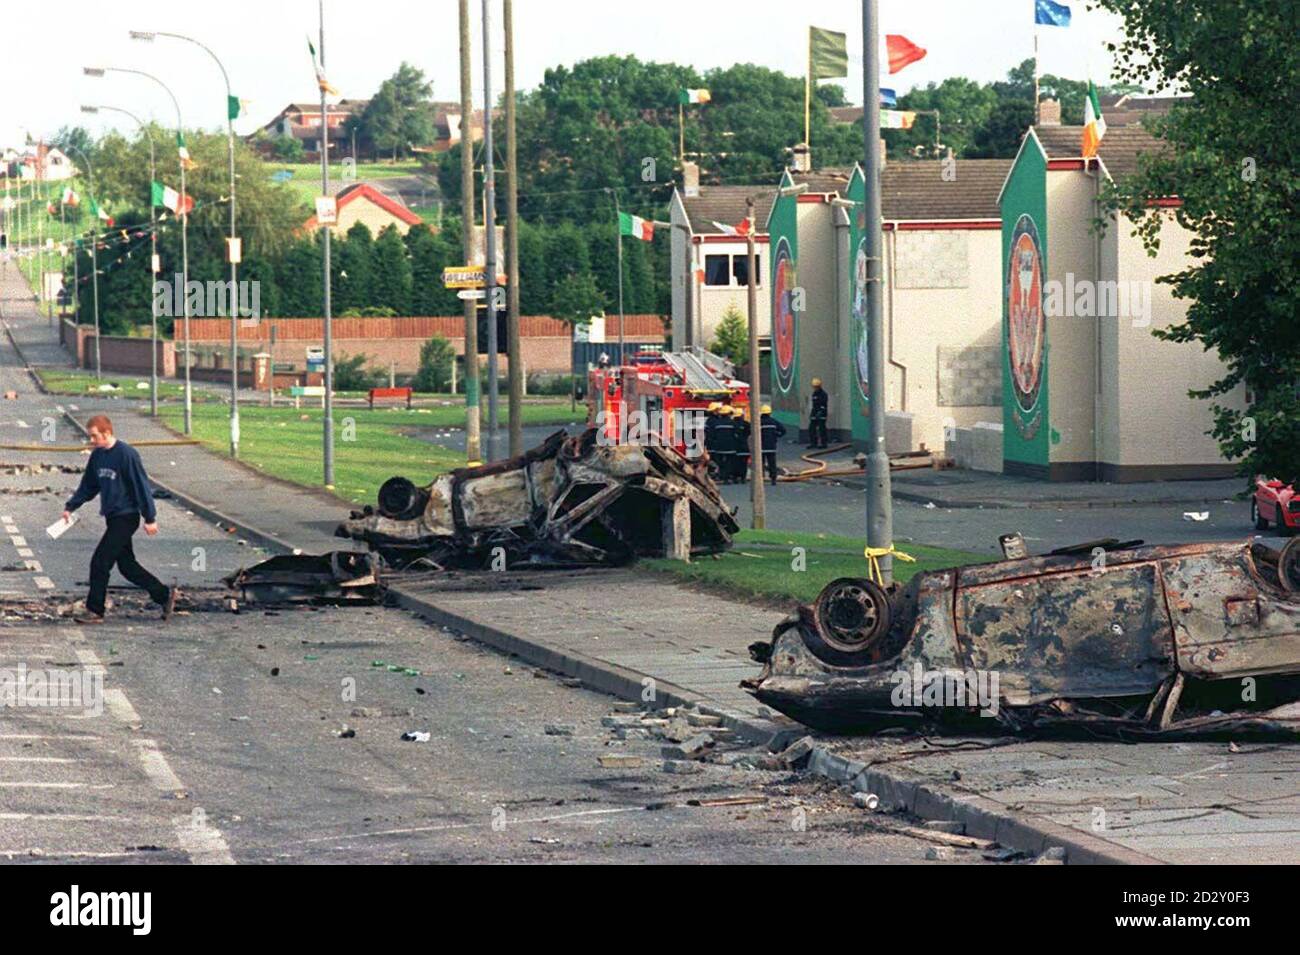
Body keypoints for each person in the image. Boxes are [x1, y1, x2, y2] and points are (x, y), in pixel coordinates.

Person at [61, 415, 176, 625]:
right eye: (91, 436)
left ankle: (95, 611)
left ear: (107, 433)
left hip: (127, 516)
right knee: (127, 566)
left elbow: (141, 487)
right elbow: (89, 485)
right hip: (113, 517)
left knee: (100, 562)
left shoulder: (126, 455)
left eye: (94, 436)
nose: (92, 440)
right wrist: (71, 506)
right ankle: (164, 596)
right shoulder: (97, 456)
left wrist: (150, 518)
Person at [758, 404, 786, 486]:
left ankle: (761, 478)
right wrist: (776, 435)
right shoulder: (773, 421)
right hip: (771, 446)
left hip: (761, 446)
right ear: (769, 413)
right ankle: (773, 479)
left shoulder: (758, 422)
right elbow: (783, 430)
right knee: (772, 463)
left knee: (760, 463)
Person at [712, 404, 736, 483]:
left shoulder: (716, 423)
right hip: (730, 447)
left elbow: (713, 435)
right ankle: (727, 477)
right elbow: (736, 435)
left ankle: (721, 475)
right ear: (729, 413)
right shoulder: (733, 423)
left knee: (720, 462)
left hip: (719, 447)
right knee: (729, 462)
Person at [731, 407, 752, 483]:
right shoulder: (746, 424)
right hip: (744, 447)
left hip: (734, 448)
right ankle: (743, 478)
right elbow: (749, 433)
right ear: (742, 415)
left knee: (734, 463)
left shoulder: (731, 424)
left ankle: (735, 478)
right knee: (743, 464)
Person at [808, 377, 829, 449]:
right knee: (811, 428)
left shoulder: (823, 394)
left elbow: (823, 404)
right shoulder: (814, 394)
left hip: (822, 413)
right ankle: (813, 443)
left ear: (819, 386)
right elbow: (814, 405)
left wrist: (820, 412)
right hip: (814, 412)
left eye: (816, 387)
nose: (815, 388)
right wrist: (812, 414)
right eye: (814, 387)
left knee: (822, 428)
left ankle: (824, 444)